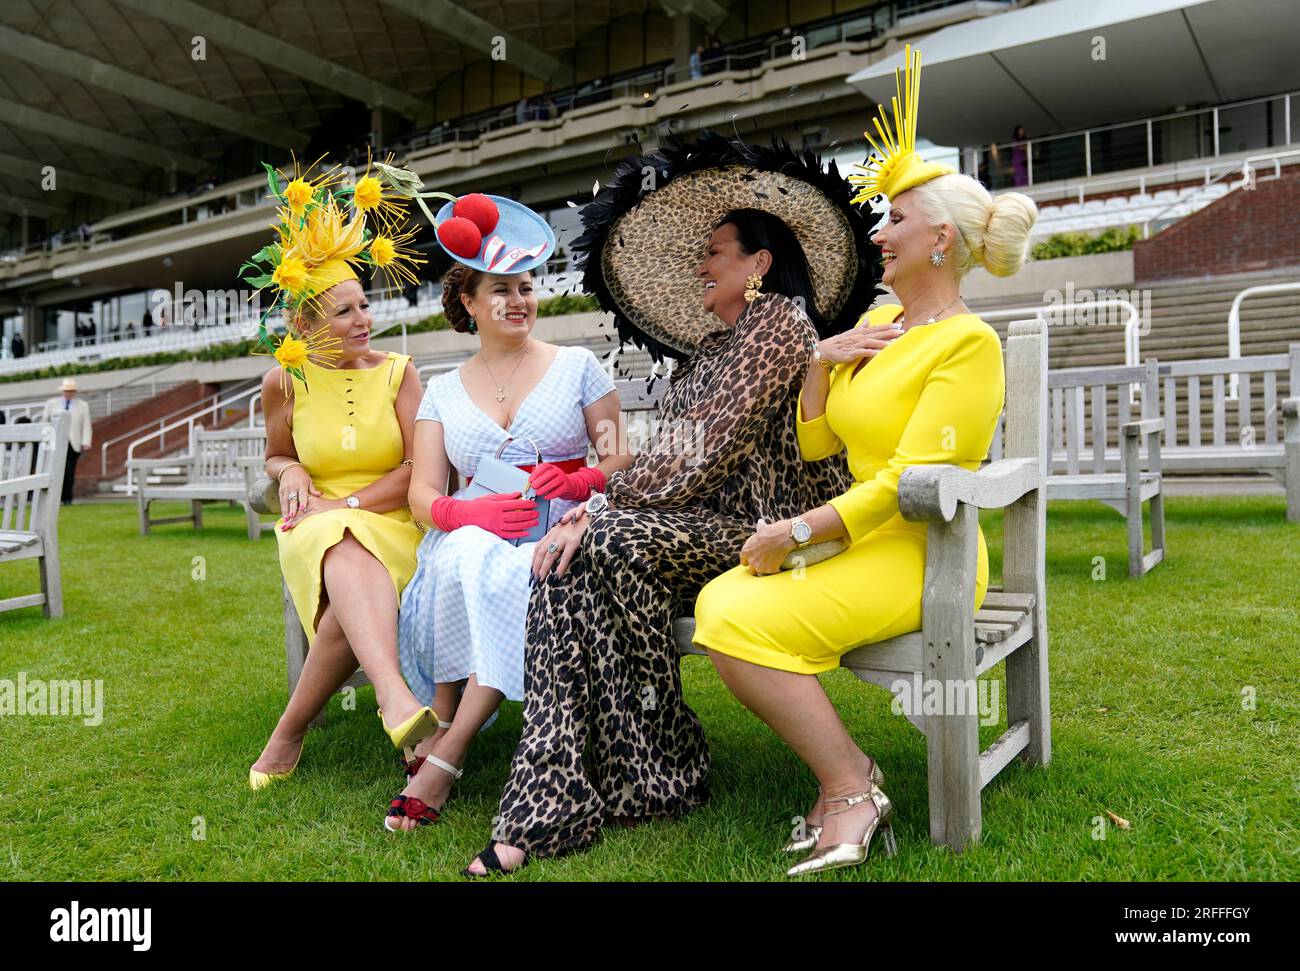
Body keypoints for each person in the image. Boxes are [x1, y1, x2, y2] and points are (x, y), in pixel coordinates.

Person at [463, 132, 879, 875]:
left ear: (759, 263)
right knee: (568, 565)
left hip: (772, 534)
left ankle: (656, 766)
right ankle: (574, 788)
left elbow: (697, 454)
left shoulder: (781, 326)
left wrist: (594, 506)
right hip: (694, 528)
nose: (702, 261)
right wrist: (598, 513)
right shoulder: (708, 352)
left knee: (596, 542)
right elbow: (666, 458)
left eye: (717, 250)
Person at [692, 45, 1039, 877]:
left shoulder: (968, 344)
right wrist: (822, 362)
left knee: (735, 618)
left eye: (896, 223)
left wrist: (796, 529)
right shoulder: (883, 324)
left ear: (941, 241)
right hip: (860, 536)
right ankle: (851, 779)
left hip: (930, 552)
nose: (879, 236)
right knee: (720, 602)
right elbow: (820, 444)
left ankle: (850, 784)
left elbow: (916, 481)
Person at [387, 194, 633, 831]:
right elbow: (422, 494)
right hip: (470, 525)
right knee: (466, 556)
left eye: (526, 287)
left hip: (563, 527)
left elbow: (618, 458)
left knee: (505, 569)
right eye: (502, 290)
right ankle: (447, 723)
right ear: (468, 302)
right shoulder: (441, 389)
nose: (519, 300)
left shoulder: (577, 365)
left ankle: (447, 746)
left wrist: (579, 478)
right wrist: (466, 515)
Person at [245, 156, 437, 790]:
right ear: (304, 325)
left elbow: (419, 464)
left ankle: (293, 732)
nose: (365, 320)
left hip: (396, 519)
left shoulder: (398, 372)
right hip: (312, 524)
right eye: (345, 312)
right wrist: (291, 468)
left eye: (365, 304)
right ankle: (396, 698)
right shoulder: (283, 380)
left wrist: (348, 501)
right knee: (339, 541)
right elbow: (274, 454)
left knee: (349, 550)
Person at [42, 377, 93, 505]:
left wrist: (86, 441)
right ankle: (55, 497)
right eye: (66, 391)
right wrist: (46, 440)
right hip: (57, 441)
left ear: (75, 392)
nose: (69, 393)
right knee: (56, 470)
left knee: (69, 471)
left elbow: (86, 425)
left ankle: (67, 498)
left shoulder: (82, 405)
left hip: (73, 443)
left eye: (71, 391)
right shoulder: (51, 404)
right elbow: (45, 422)